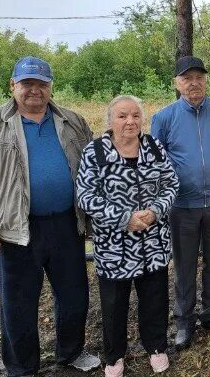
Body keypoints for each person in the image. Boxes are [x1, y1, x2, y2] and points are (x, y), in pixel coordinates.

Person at [0, 57, 100, 376]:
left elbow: (93, 170)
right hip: (16, 228)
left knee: (74, 295)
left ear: (50, 87)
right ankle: (22, 367)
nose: (35, 90)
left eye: (41, 83)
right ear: (12, 85)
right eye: (27, 83)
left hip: (66, 224)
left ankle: (70, 352)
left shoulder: (72, 121)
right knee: (18, 304)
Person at [76, 95, 179, 376]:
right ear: (110, 121)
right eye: (122, 116)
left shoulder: (154, 147)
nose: (130, 121)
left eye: (135, 115)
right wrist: (124, 219)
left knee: (155, 299)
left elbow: (171, 184)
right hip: (113, 246)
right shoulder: (95, 152)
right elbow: (86, 197)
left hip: (153, 243)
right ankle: (114, 356)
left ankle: (156, 347)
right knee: (113, 304)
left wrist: (157, 211)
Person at [151, 56, 210, 349]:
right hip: (181, 206)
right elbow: (157, 162)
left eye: (199, 77)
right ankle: (184, 321)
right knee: (185, 265)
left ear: (206, 80)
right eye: (187, 78)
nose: (194, 83)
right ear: (176, 83)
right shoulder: (163, 118)